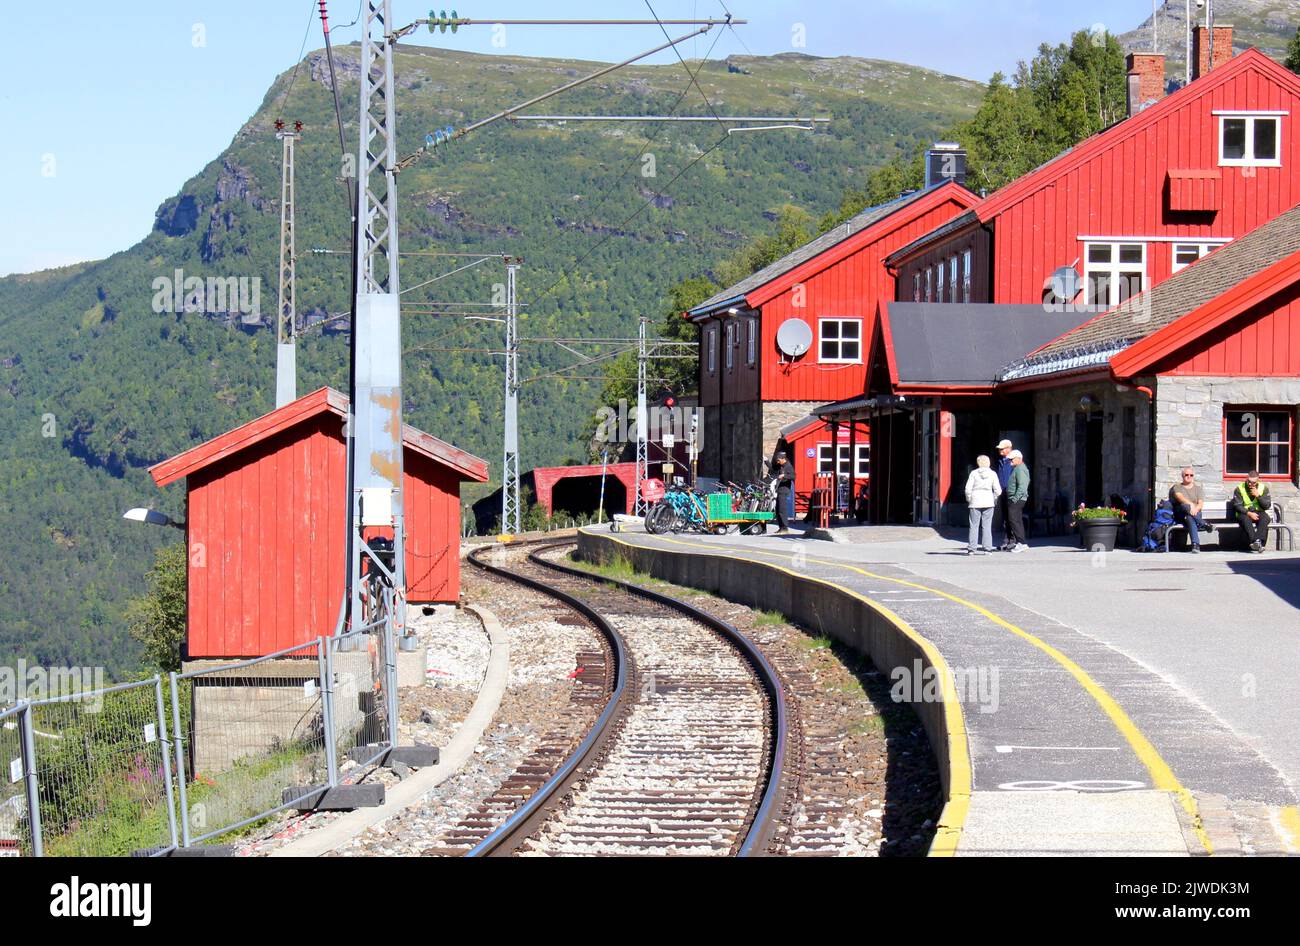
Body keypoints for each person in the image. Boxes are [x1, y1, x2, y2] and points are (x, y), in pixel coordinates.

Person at [1169, 466, 1213, 553]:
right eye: (1186, 475)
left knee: (1190, 518)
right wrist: (1191, 505)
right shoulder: (1177, 487)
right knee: (1185, 506)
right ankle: (1204, 524)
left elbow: (1200, 503)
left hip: (1194, 513)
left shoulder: (1198, 489)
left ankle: (1195, 545)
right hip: (1181, 514)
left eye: (1191, 475)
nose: (1189, 476)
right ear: (1182, 476)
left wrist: (1195, 508)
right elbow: (1180, 497)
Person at [964, 455, 1001, 555]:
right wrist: (994, 498)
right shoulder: (993, 474)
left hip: (975, 501)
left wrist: (969, 498)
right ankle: (987, 549)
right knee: (987, 526)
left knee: (974, 526)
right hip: (988, 501)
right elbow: (998, 490)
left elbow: (968, 488)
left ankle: (972, 548)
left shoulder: (973, 473)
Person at [1227, 471, 1271, 553]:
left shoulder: (1263, 488)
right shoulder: (1239, 488)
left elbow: (1267, 506)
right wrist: (1249, 513)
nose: (1251, 484)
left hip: (1258, 511)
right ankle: (1258, 543)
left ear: (1258, 480)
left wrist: (1258, 496)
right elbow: (1237, 505)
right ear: (1246, 479)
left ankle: (1256, 542)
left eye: (1253, 483)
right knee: (1246, 520)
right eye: (1249, 482)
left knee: (1265, 518)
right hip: (1243, 513)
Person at [1006, 449, 1031, 552]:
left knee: (1014, 520)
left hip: (1017, 499)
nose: (1010, 461)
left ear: (1018, 459)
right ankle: (1021, 542)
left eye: (1012, 459)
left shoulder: (1020, 469)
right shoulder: (1017, 468)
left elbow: (1023, 486)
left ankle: (1022, 543)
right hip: (1016, 498)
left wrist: (1015, 499)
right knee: (1016, 520)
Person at [993, 439, 1014, 550]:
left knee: (1012, 518)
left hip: (1010, 493)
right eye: (1000, 449)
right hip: (1002, 492)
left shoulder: (1013, 461)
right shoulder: (1001, 461)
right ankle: (1006, 540)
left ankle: (1013, 540)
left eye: (1002, 449)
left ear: (1009, 449)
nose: (1000, 450)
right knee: (1005, 518)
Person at [772, 451, 795, 535]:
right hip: (780, 490)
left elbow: (793, 476)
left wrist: (784, 476)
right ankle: (781, 527)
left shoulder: (788, 466)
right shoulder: (782, 466)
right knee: (778, 509)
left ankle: (785, 528)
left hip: (784, 490)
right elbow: (772, 469)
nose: (777, 462)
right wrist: (766, 461)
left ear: (783, 459)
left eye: (778, 460)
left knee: (782, 509)